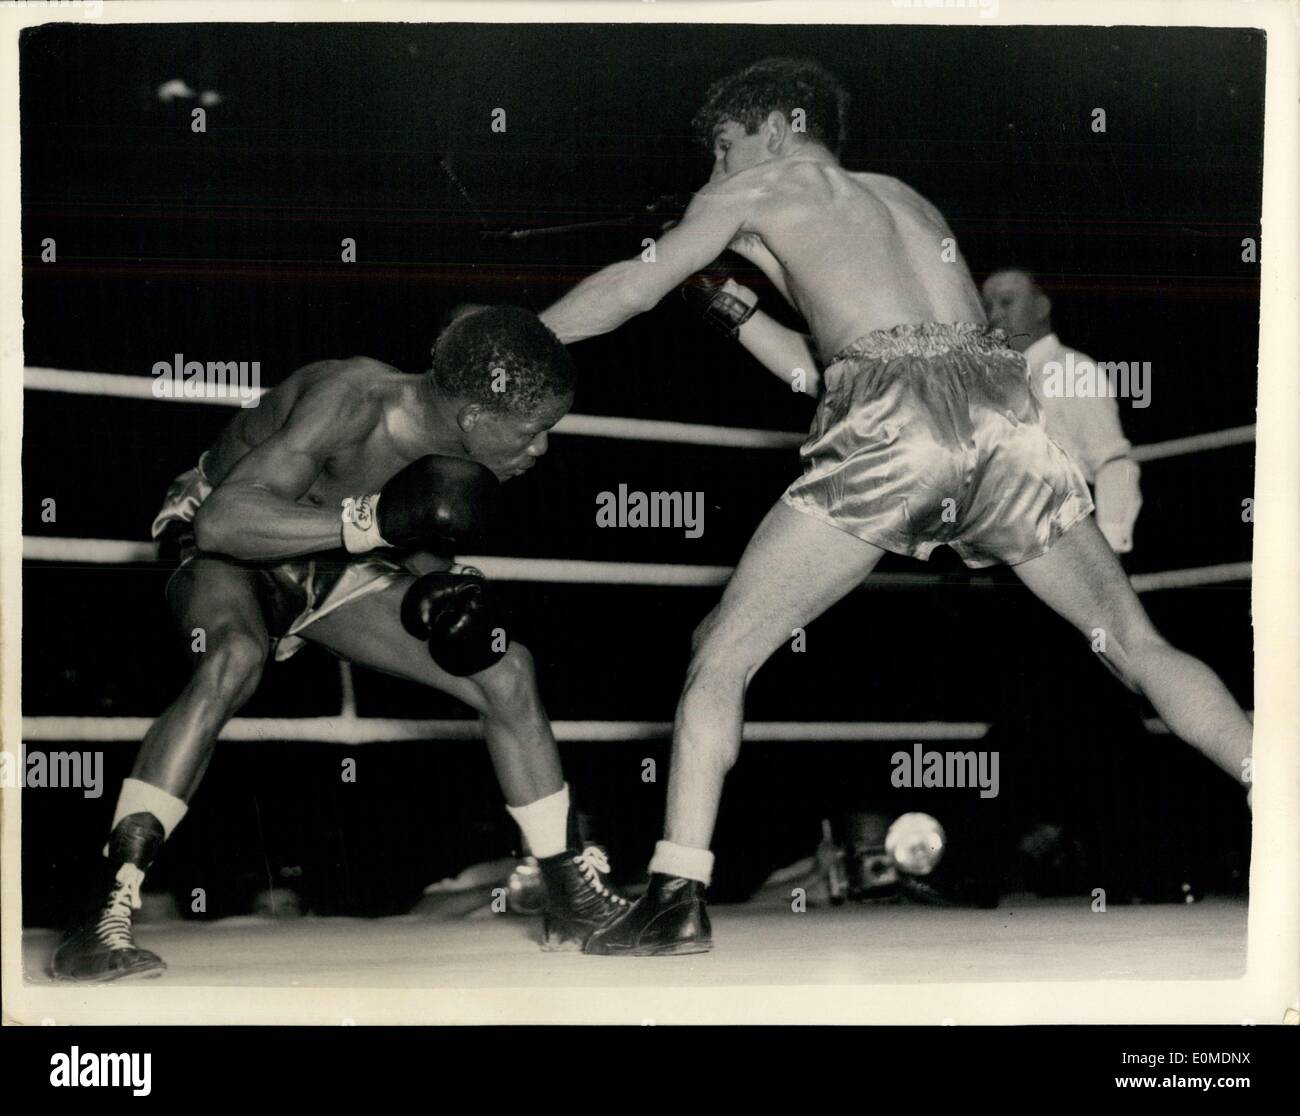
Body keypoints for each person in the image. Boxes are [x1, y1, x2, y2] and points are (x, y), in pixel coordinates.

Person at [538, 57, 1253, 955]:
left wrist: (517, 340)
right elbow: (823, 368)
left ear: (774, 127)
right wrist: (726, 298)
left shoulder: (758, 185)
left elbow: (635, 289)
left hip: (892, 418)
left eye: (723, 150)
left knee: (721, 649)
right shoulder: (908, 202)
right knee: (1137, 647)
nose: (715, 175)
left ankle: (677, 892)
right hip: (999, 413)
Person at [51, 305, 628, 981]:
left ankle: (570, 890)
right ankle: (101, 911)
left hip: (327, 561)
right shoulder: (350, 399)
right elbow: (224, 522)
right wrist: (377, 520)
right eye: (532, 432)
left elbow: (403, 538)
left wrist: (438, 586)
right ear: (474, 415)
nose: (540, 449)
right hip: (224, 541)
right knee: (235, 656)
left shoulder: (456, 449)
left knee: (503, 668)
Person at [981, 267, 1142, 554]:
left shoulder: (1072, 370)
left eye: (1006, 302)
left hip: (1064, 540)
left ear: (1041, 306)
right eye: (988, 306)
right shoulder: (995, 385)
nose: (994, 316)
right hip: (1005, 546)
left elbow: (1113, 461)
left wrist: (1109, 548)